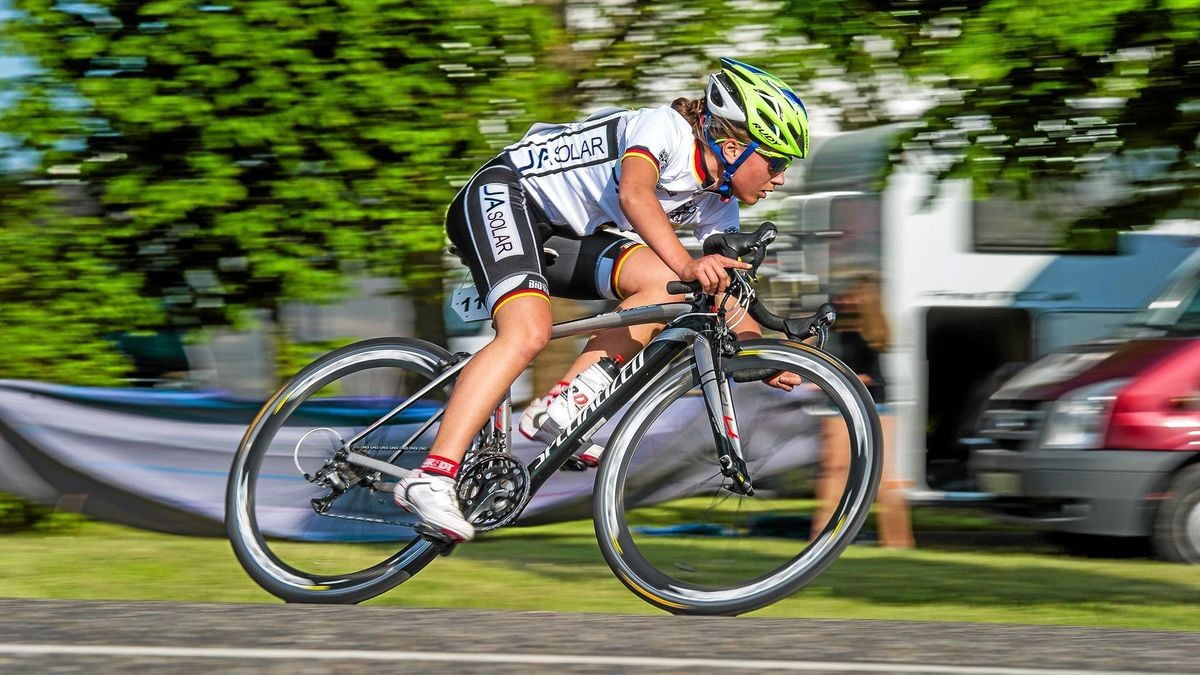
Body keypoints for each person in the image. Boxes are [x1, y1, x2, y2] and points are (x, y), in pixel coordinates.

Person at [395, 58, 811, 542]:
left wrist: (761, 354)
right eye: (776, 162)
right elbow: (636, 195)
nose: (780, 178)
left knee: (673, 284)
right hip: (503, 195)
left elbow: (722, 291)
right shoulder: (665, 129)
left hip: (564, 233)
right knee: (528, 332)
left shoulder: (719, 200)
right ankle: (434, 476)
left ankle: (564, 402)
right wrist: (688, 264)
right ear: (736, 145)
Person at [811, 271, 914, 549]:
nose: (847, 298)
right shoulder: (853, 329)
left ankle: (895, 541)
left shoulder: (867, 332)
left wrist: (826, 382)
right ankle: (826, 536)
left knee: (845, 472)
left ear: (865, 298)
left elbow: (865, 376)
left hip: (857, 405)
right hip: (864, 405)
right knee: (843, 471)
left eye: (854, 294)